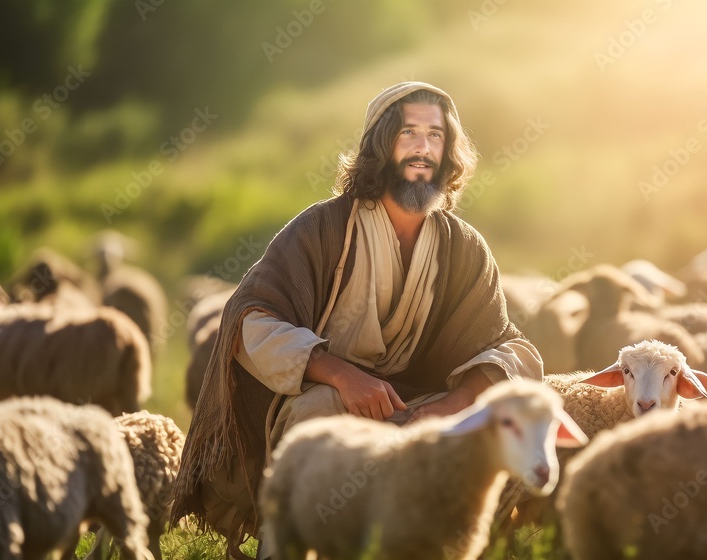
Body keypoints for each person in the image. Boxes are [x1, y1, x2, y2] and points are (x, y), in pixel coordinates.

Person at [170, 82, 543, 557]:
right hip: (329, 399)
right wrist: (341, 375)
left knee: (493, 416)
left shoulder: (463, 246)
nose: (423, 148)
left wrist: (460, 400)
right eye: (408, 133)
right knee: (320, 407)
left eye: (435, 135)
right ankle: (287, 537)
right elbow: (249, 321)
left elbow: (510, 346)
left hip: (424, 407)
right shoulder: (322, 228)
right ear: (380, 144)